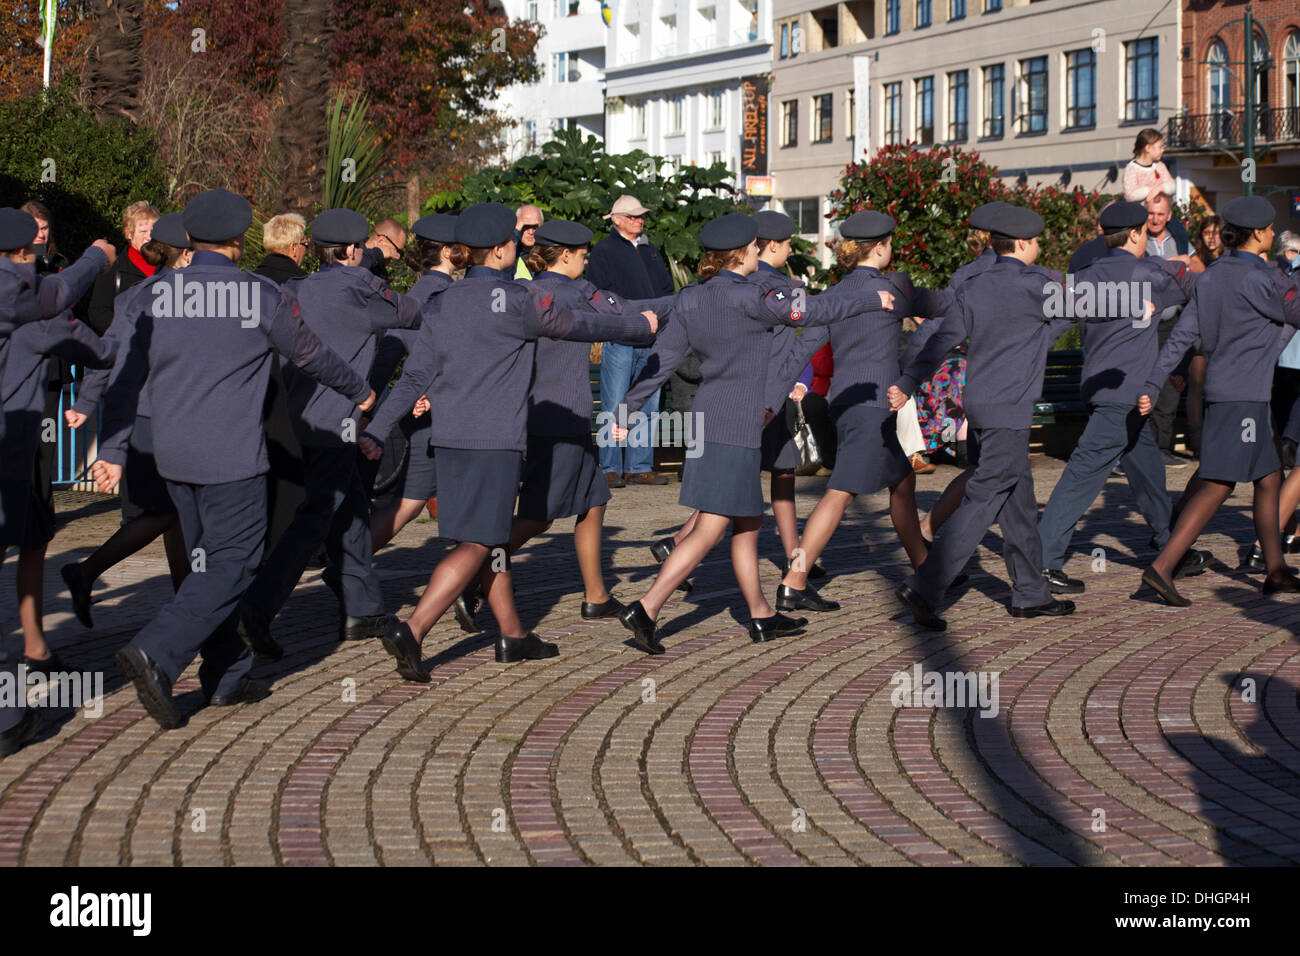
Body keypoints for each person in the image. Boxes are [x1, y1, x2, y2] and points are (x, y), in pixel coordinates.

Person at [91, 188, 377, 729]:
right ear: (238, 240)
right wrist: (360, 391)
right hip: (231, 456)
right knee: (235, 560)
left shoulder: (154, 296)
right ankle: (158, 649)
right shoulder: (258, 295)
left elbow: (123, 375)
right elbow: (311, 354)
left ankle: (226, 674)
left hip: (171, 454)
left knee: (206, 561)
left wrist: (113, 448)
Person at [357, 202, 658, 677]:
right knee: (477, 545)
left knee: (488, 538)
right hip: (493, 442)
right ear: (499, 249)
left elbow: (414, 377)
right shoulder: (518, 302)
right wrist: (638, 326)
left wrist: (377, 429)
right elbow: (580, 325)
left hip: (451, 440)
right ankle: (413, 629)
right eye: (515, 241)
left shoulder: (442, 303)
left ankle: (513, 634)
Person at [613, 212, 895, 654]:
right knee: (710, 528)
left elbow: (662, 361)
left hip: (708, 420)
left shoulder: (692, 298)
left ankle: (762, 615)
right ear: (746, 252)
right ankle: (647, 608)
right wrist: (871, 300)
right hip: (737, 424)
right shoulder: (754, 297)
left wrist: (626, 408)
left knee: (746, 524)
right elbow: (815, 310)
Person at [238, 208, 423, 654]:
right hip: (334, 422)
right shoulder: (363, 288)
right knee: (315, 519)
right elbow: (413, 314)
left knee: (352, 508)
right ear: (357, 249)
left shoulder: (296, 288)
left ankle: (362, 608)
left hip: (296, 419)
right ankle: (257, 610)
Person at [891, 204, 1078, 630]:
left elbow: (941, 340)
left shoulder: (975, 285)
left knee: (1018, 501)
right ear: (1026, 244)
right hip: (1010, 408)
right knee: (985, 496)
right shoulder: (1035, 285)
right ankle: (926, 584)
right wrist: (1135, 303)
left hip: (979, 404)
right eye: (1038, 243)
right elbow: (1088, 304)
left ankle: (1030, 593)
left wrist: (909, 379)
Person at [775, 210, 947, 613]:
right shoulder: (896, 287)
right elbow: (944, 314)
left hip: (845, 404)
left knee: (903, 484)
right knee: (840, 492)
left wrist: (774, 393)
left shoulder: (835, 294)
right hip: (876, 406)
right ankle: (794, 580)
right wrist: (913, 363)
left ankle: (927, 569)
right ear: (883, 247)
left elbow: (804, 346)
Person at [1034, 201, 1205, 594]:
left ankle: (1170, 546)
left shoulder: (1084, 279)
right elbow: (1203, 291)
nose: (1147, 237)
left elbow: (1048, 330)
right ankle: (1041, 560)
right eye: (1145, 232)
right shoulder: (1152, 274)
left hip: (1101, 391)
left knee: (1147, 469)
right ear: (1134, 235)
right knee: (1082, 475)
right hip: (1127, 395)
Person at [504, 219, 670, 619]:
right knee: (538, 516)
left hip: (547, 414)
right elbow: (627, 312)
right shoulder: (574, 290)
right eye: (582, 254)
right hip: (561, 418)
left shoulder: (525, 289)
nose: (587, 260)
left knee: (594, 501)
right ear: (565, 256)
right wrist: (687, 301)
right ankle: (472, 576)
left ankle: (596, 596)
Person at [1139, 195, 1300, 605]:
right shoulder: (1264, 278)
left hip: (1226, 394)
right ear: (1261, 235)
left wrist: (1153, 380)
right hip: (1245, 399)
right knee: (1219, 481)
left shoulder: (1210, 276)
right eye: (1269, 230)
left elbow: (1182, 337)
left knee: (1268, 479)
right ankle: (1162, 567)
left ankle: (1276, 570)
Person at [0, 207, 116, 758]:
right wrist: (99, 256)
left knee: (35, 538)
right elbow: (99, 351)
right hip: (13, 458)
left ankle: (36, 648)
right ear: (25, 254)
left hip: (25, 456)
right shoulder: (34, 304)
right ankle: (8, 715)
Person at [61, 214, 195, 628]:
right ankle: (85, 571)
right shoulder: (199, 297)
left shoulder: (134, 297)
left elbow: (106, 355)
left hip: (148, 419)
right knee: (163, 513)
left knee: (172, 515)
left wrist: (86, 402)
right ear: (186, 255)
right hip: (164, 422)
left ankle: (185, 604)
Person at [367, 213, 458, 555]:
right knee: (454, 500)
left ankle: (348, 567)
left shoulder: (413, 294)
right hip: (440, 413)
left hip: (420, 410)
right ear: (448, 252)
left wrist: (371, 403)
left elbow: (390, 352)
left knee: (411, 502)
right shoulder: (446, 295)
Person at [588, 195, 676, 487]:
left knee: (648, 405)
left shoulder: (650, 250)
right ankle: (609, 466)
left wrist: (660, 318)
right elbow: (601, 296)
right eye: (633, 216)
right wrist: (631, 317)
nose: (640, 220)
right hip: (621, 338)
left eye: (641, 216)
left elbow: (667, 289)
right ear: (616, 219)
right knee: (614, 404)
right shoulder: (604, 251)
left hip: (652, 340)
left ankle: (639, 466)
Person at [252, 213, 310, 552]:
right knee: (291, 465)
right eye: (304, 244)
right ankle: (288, 544)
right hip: (293, 384)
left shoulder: (247, 282)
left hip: (253, 383)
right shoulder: (302, 286)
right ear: (292, 248)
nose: (305, 250)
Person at [86, 201, 160, 335]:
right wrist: (127, 333)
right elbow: (98, 312)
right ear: (129, 233)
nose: (149, 237)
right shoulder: (114, 268)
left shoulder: (167, 266)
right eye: (143, 231)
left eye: (153, 231)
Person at [1124, 129, 1177, 204]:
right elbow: (1130, 195)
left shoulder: (1160, 166)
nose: (1163, 150)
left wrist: (1160, 188)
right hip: (1140, 212)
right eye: (1160, 147)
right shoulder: (1132, 168)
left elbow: (1172, 186)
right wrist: (1150, 189)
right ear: (1148, 148)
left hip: (1159, 211)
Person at [359, 217, 408, 282]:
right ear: (381, 241)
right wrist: (377, 253)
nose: (397, 256)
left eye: (400, 252)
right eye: (396, 250)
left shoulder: (381, 273)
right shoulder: (349, 253)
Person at [513, 205, 543, 279]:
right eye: (526, 227)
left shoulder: (551, 253)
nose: (531, 232)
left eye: (535, 227)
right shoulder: (510, 255)